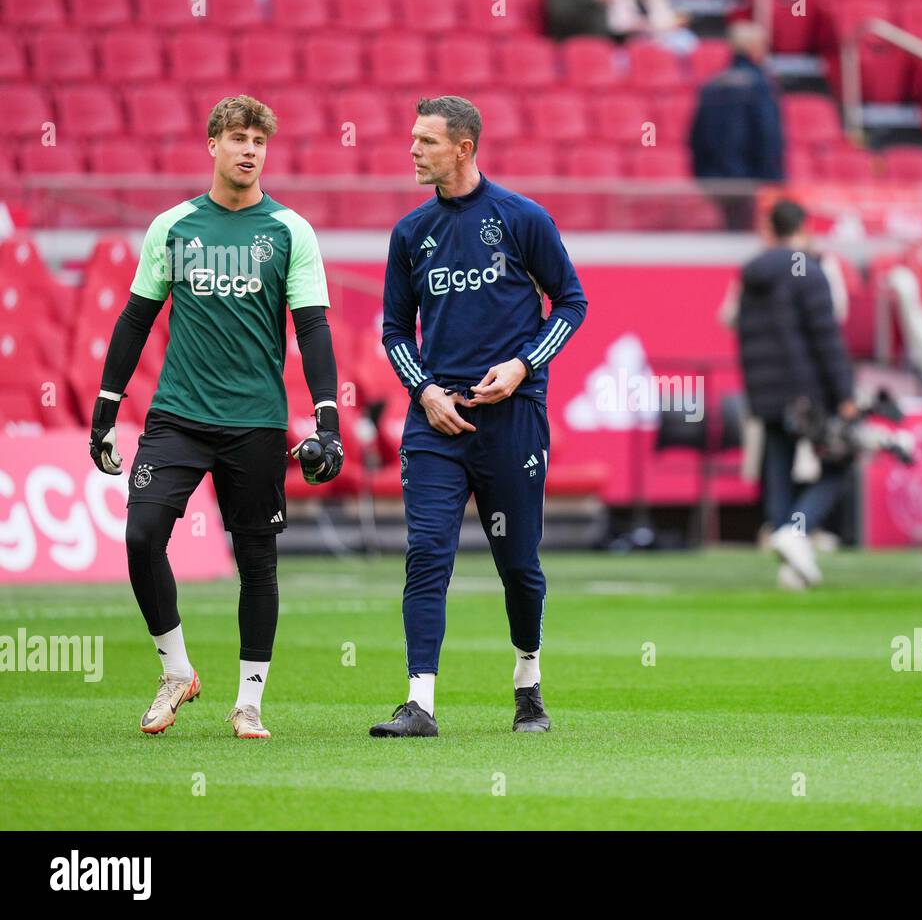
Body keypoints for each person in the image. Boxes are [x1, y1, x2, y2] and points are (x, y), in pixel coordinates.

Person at [90, 95, 342, 740]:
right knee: (143, 537)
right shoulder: (173, 226)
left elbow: (312, 327)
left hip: (256, 421)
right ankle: (176, 671)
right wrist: (106, 407)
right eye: (237, 137)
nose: (249, 149)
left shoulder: (291, 231)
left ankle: (249, 700)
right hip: (177, 415)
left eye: (259, 139)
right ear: (212, 145)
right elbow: (135, 319)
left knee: (258, 561)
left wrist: (327, 418)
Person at [370, 96, 588, 738]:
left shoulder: (524, 219)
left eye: (426, 141)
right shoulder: (410, 233)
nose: (413, 150)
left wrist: (523, 366)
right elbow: (393, 331)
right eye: (412, 138)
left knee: (518, 563)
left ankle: (528, 688)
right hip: (435, 422)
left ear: (463, 148)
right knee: (427, 553)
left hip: (512, 419)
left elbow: (571, 304)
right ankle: (420, 703)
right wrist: (425, 391)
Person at [736, 200, 855, 589]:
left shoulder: (753, 275)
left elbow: (744, 334)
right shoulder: (809, 270)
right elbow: (826, 338)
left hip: (766, 391)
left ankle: (790, 562)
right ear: (804, 226)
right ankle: (795, 530)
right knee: (839, 462)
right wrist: (843, 394)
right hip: (805, 391)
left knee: (778, 470)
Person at [689, 21, 784, 231]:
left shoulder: (712, 85)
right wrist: (773, 178)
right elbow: (769, 136)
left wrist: (704, 175)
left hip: (716, 181)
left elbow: (696, 138)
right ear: (753, 48)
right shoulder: (760, 86)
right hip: (753, 181)